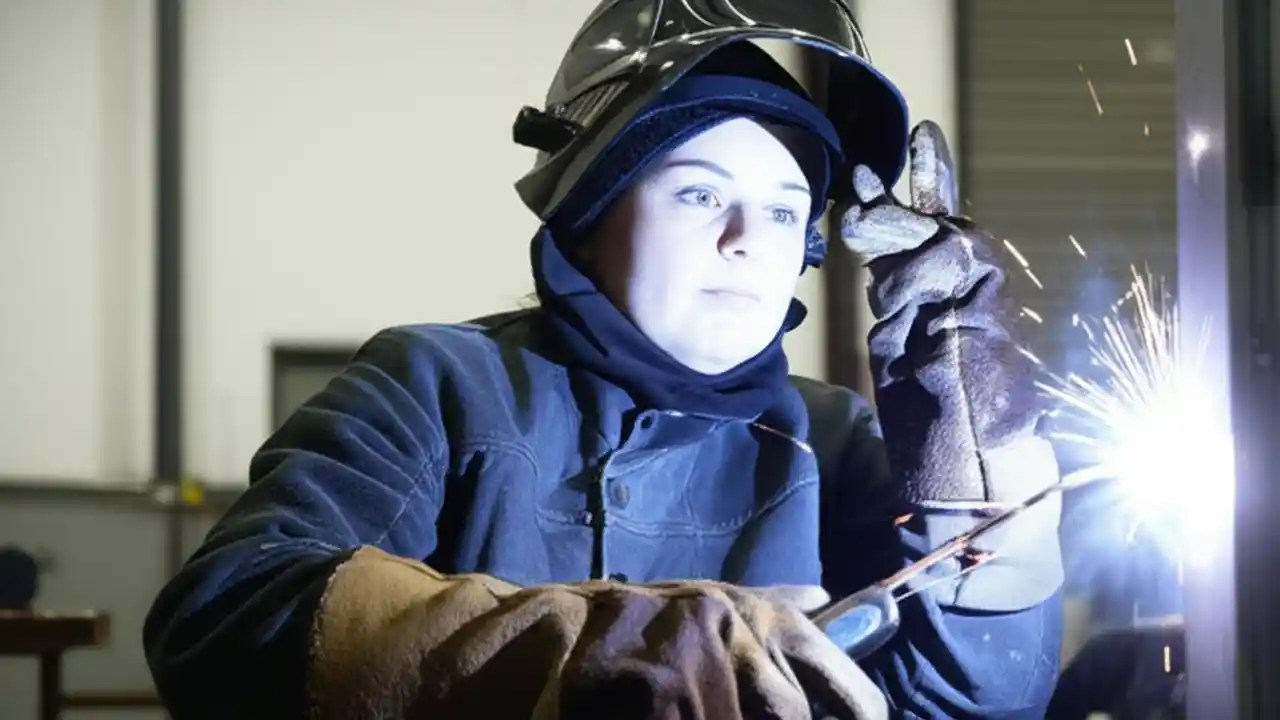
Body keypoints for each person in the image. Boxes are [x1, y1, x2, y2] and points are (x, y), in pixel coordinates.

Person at [143, 2, 1065, 718]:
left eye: (786, 211)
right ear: (592, 215)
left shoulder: (839, 442)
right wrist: (601, 644)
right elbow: (224, 625)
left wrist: (985, 480)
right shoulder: (437, 386)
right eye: (701, 193)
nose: (749, 239)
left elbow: (978, 703)